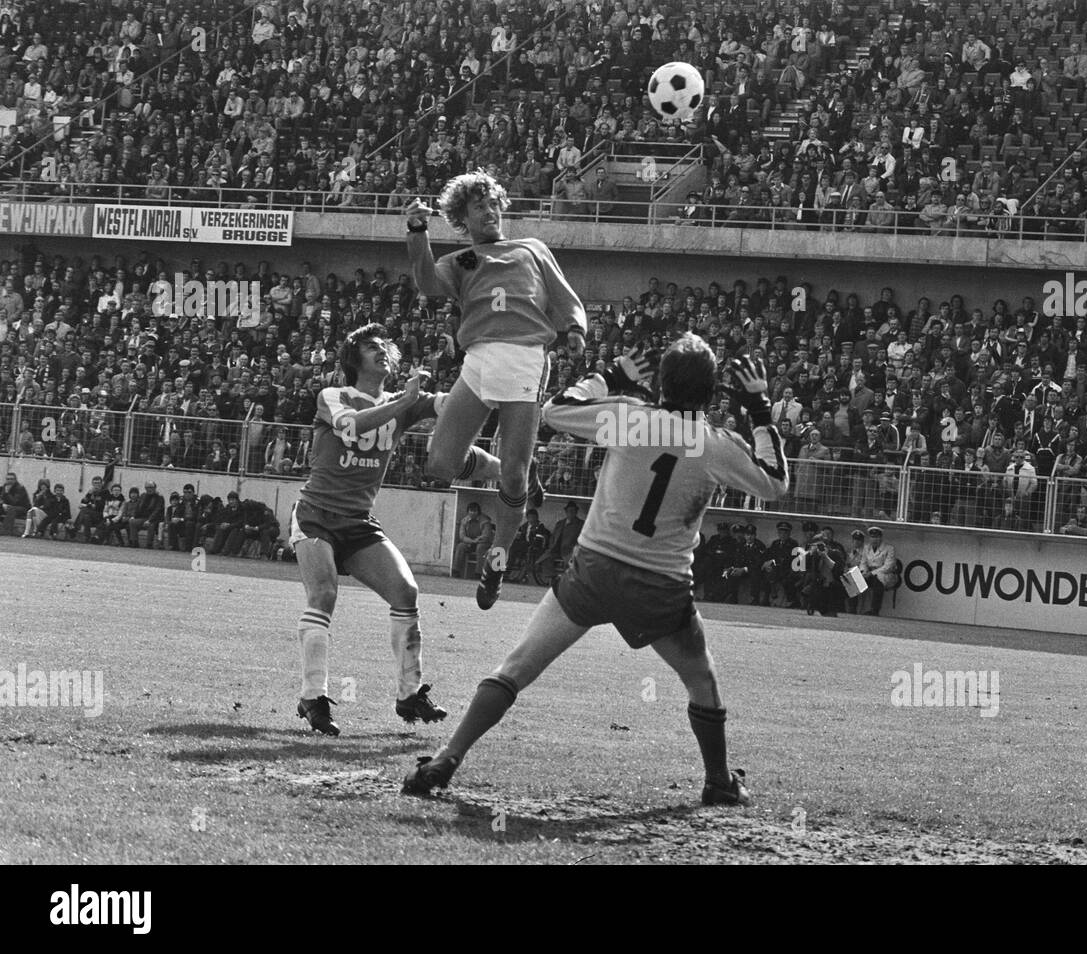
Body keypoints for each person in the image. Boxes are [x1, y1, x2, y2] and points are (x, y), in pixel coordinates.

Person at [402, 340, 788, 806]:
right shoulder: (715, 444)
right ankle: (719, 781)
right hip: (660, 586)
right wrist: (761, 408)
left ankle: (447, 757)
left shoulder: (630, 417)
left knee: (517, 667)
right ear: (711, 394)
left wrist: (614, 375)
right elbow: (775, 482)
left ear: (661, 383)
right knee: (701, 681)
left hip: (594, 570)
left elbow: (555, 410)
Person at [406, 170, 584, 611]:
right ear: (462, 219)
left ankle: (498, 559)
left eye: (491, 203)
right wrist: (416, 231)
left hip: (524, 356)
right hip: (478, 359)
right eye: (477, 207)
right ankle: (512, 468)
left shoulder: (531, 248)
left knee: (515, 477)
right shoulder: (466, 260)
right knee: (441, 463)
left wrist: (575, 327)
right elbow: (427, 283)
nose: (487, 211)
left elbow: (565, 296)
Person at [287, 322, 450, 737]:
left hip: (359, 523)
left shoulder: (406, 400)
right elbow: (350, 427)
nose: (381, 350)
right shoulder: (333, 395)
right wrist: (404, 403)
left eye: (385, 345)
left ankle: (410, 694)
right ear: (352, 358)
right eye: (370, 345)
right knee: (323, 593)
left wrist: (491, 376)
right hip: (316, 515)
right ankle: (313, 697)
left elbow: (453, 405)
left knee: (406, 593)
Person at [857, 526, 898, 616]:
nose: (874, 540)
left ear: (880, 538)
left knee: (878, 581)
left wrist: (871, 573)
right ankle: (852, 609)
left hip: (886, 575)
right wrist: (863, 572)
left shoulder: (889, 548)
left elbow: (888, 566)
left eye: (876, 537)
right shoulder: (866, 548)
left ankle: (874, 610)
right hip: (869, 574)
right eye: (872, 537)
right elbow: (863, 563)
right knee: (855, 580)